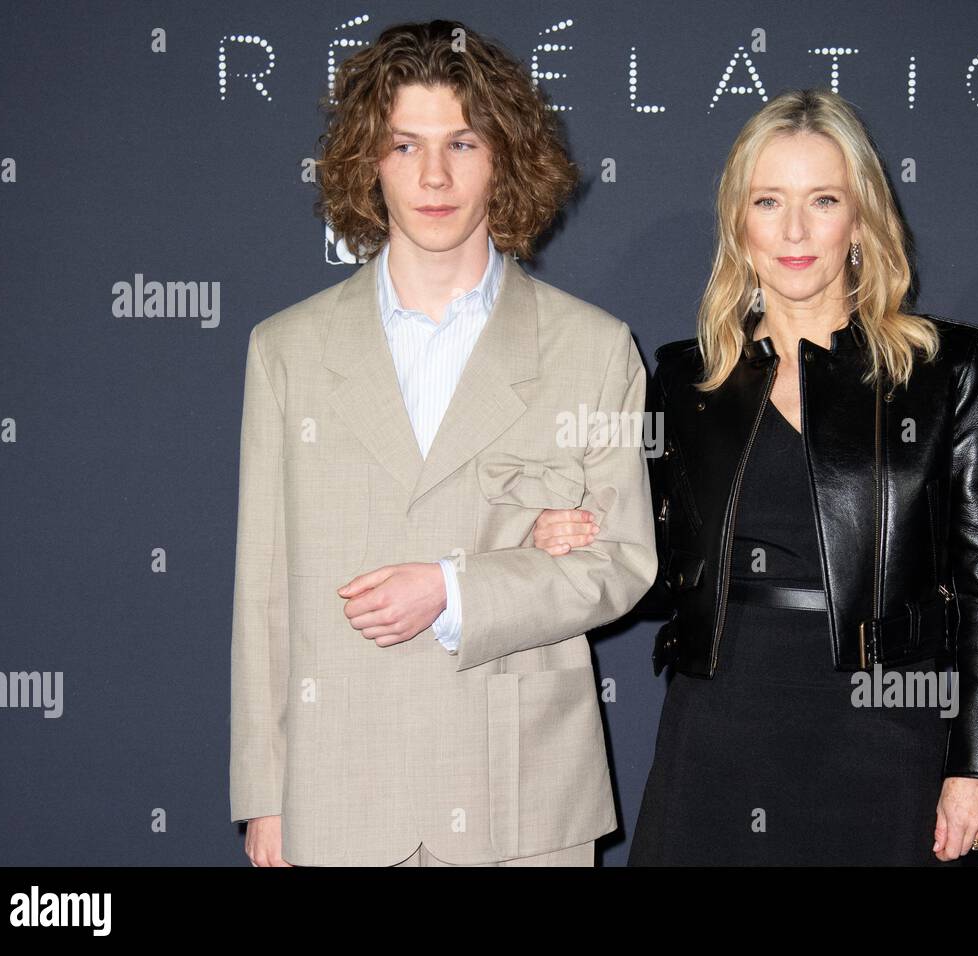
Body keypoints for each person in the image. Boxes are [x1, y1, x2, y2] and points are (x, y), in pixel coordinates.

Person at [533, 88, 978, 865]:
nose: (794, 231)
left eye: (822, 200)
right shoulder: (687, 380)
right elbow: (659, 574)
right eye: (769, 201)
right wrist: (583, 534)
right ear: (739, 222)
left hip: (884, 728)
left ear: (859, 220)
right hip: (720, 724)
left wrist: (974, 764)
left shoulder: (944, 370)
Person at [229, 19, 657, 867]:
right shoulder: (287, 351)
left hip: (523, 800)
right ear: (367, 161)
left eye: (462, 143)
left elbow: (622, 562)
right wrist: (265, 793)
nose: (433, 176)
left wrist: (458, 590)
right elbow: (264, 593)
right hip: (339, 792)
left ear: (505, 158)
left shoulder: (594, 348)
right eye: (404, 145)